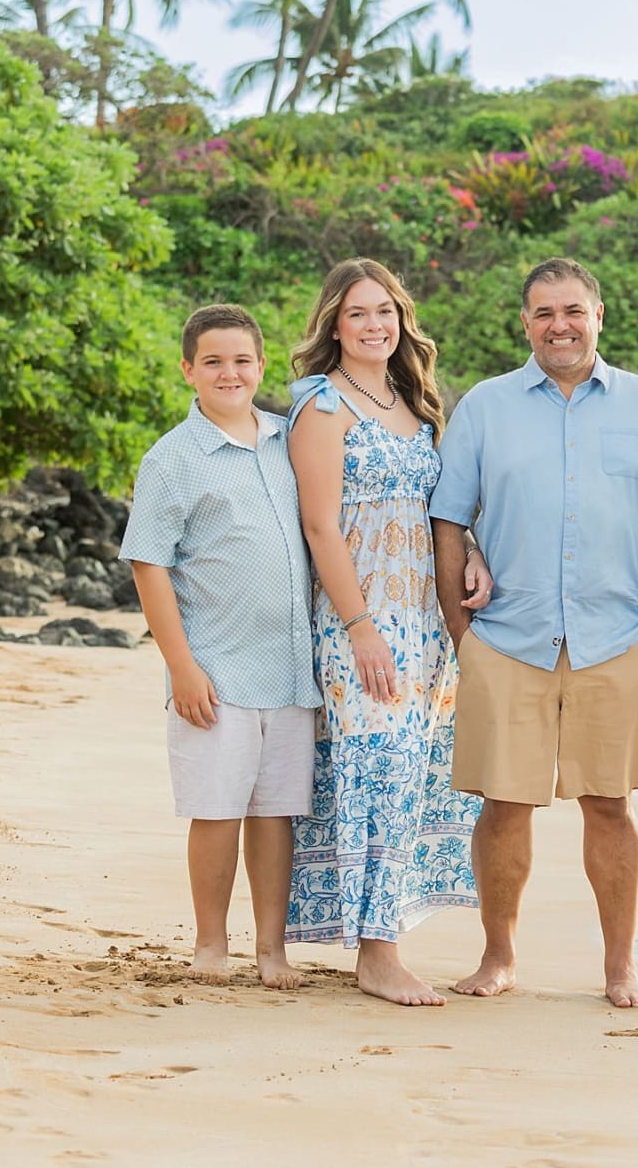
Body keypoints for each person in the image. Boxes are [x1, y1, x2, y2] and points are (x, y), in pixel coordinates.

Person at [430, 257, 638, 1008]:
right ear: (526, 323)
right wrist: (463, 637)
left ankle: (621, 968)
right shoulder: (485, 407)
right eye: (545, 313)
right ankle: (498, 957)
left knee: (610, 805)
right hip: (506, 640)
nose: (560, 325)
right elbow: (448, 518)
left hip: (618, 641)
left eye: (573, 310)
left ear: (599, 315)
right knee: (504, 804)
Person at [285, 258, 490, 1006]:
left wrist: (473, 560)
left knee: (409, 779)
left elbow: (439, 512)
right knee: (374, 774)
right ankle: (375, 954)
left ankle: (388, 936)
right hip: (359, 622)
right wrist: (361, 627)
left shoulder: (415, 401)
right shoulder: (322, 406)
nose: (375, 325)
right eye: (357, 314)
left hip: (427, 622)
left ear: (402, 321)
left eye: (385, 312)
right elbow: (319, 525)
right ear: (334, 326)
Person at [120, 304, 321, 990]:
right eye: (213, 361)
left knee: (275, 813)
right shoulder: (172, 458)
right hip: (216, 668)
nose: (229, 372)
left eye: (241, 360)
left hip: (293, 668)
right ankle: (211, 945)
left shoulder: (287, 439)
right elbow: (149, 563)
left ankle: (272, 950)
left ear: (261, 366)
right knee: (217, 810)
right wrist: (182, 667)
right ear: (189, 370)